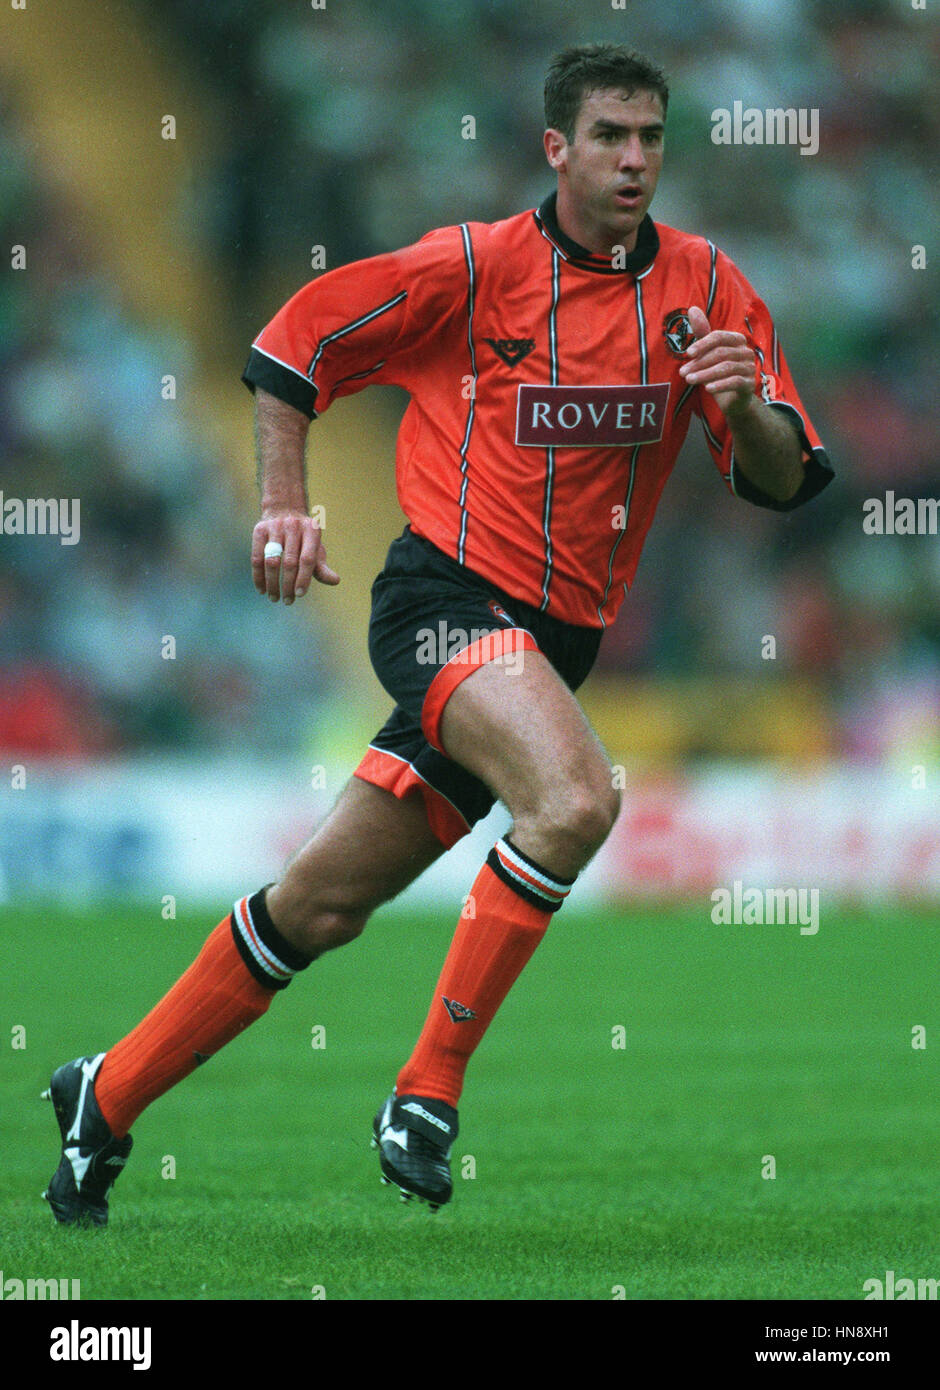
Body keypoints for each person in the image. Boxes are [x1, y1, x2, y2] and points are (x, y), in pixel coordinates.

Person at [43, 42, 832, 1224]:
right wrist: (281, 507)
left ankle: (102, 1098)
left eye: (650, 138)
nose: (632, 159)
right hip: (444, 604)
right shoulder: (469, 268)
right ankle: (426, 1088)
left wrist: (743, 406)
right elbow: (292, 344)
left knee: (316, 907)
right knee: (574, 801)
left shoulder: (709, 292)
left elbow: (779, 481)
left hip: (550, 649)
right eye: (609, 136)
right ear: (555, 147)